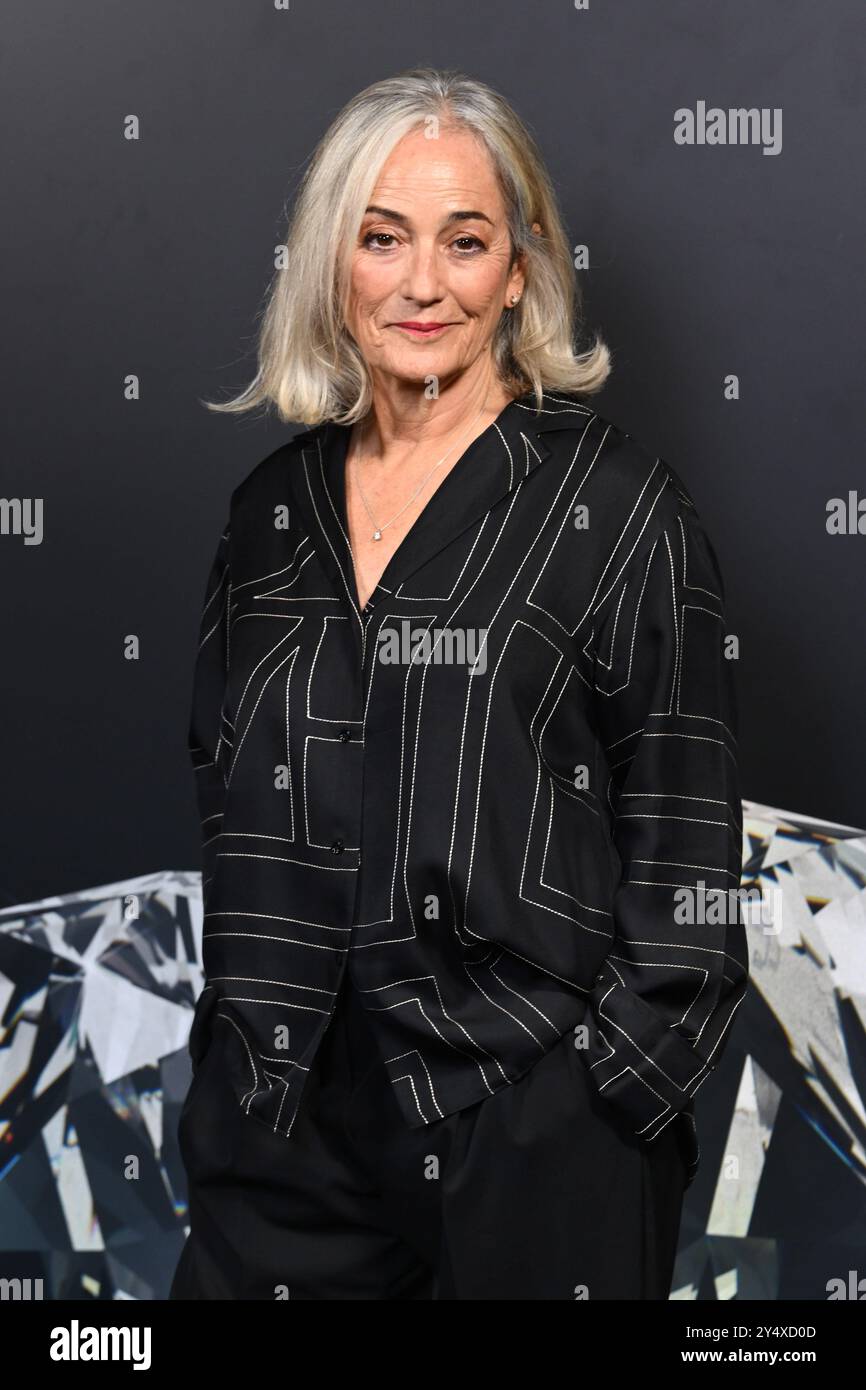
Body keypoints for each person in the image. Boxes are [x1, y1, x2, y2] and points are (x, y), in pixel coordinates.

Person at [169, 66, 748, 1301]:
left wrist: (614, 1098)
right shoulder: (268, 514)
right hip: (280, 1130)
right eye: (382, 238)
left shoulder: (614, 508)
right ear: (332, 262)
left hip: (527, 1123)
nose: (421, 283)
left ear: (519, 272)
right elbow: (224, 781)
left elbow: (686, 830)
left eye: (463, 241)